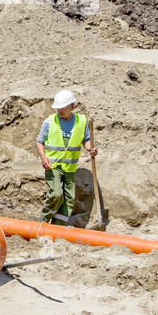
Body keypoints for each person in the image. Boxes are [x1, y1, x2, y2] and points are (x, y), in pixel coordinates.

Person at [36, 89, 96, 225]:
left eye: (62, 108)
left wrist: (90, 148)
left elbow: (86, 139)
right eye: (58, 108)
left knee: (69, 199)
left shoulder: (81, 121)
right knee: (56, 194)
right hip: (53, 165)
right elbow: (39, 141)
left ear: (72, 107)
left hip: (70, 168)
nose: (59, 111)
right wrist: (43, 158)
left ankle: (57, 226)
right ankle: (42, 221)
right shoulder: (49, 122)